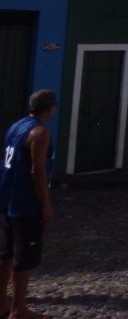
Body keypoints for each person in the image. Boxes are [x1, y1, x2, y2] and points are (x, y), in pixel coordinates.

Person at [0, 89, 57, 319]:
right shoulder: (39, 133)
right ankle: (18, 309)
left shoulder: (16, 126)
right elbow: (37, 171)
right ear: (50, 108)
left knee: (5, 253)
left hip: (7, 200)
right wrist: (45, 204)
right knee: (24, 258)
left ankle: (2, 301)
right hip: (25, 204)